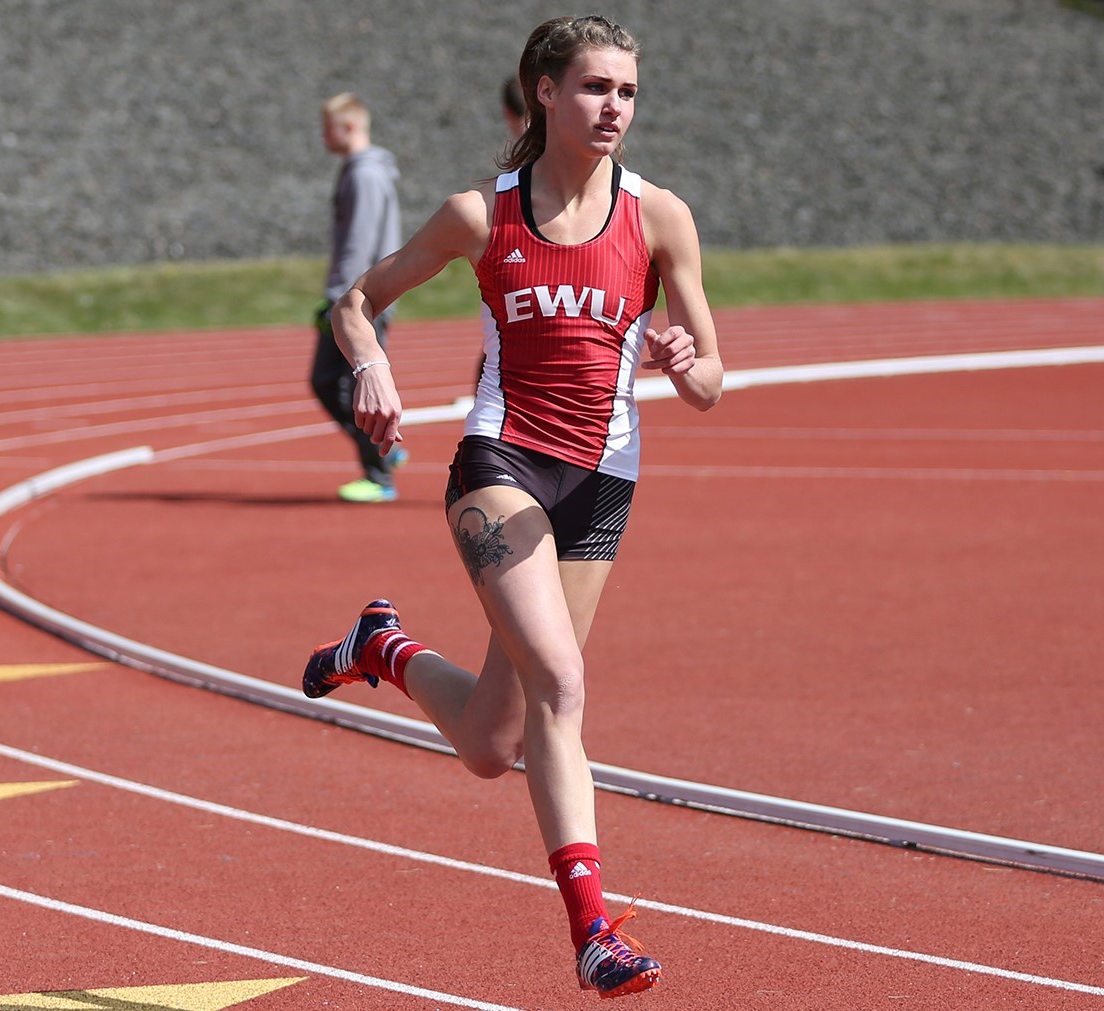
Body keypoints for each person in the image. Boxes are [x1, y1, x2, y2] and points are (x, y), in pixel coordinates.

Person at [302, 15, 722, 999]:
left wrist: (681, 359)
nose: (613, 107)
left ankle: (383, 649)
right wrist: (370, 368)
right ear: (544, 91)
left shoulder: (661, 217)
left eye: (627, 91)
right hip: (502, 466)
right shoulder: (480, 216)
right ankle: (592, 931)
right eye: (595, 88)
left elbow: (710, 382)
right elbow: (355, 302)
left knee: (495, 742)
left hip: (603, 482)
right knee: (562, 688)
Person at [312, 93, 405, 503]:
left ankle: (379, 473)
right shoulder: (360, 170)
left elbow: (359, 242)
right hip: (358, 297)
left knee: (348, 384)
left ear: (348, 127)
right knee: (330, 382)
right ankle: (384, 452)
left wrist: (339, 298)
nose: (323, 137)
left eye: (327, 128)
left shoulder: (365, 175)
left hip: (361, 300)